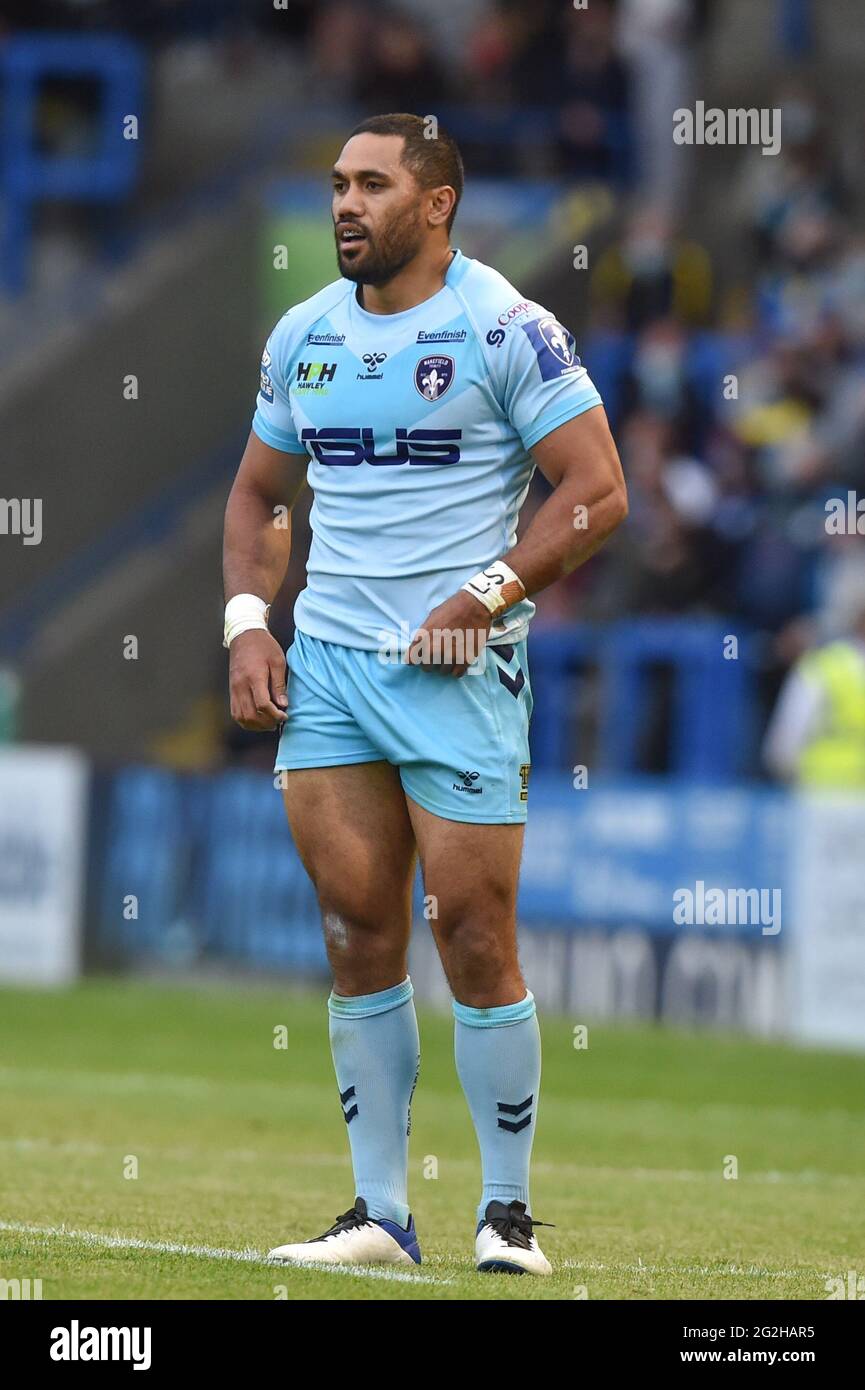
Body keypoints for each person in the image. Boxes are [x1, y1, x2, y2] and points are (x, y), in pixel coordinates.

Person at [222, 113, 626, 1274]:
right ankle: (380, 1216)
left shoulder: (506, 327)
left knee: (476, 934)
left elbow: (597, 490)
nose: (343, 205)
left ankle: (507, 1216)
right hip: (335, 671)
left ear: (435, 204)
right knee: (356, 931)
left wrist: (485, 595)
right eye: (336, 185)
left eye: (370, 185)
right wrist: (250, 626)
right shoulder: (303, 333)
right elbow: (255, 499)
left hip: (457, 671)